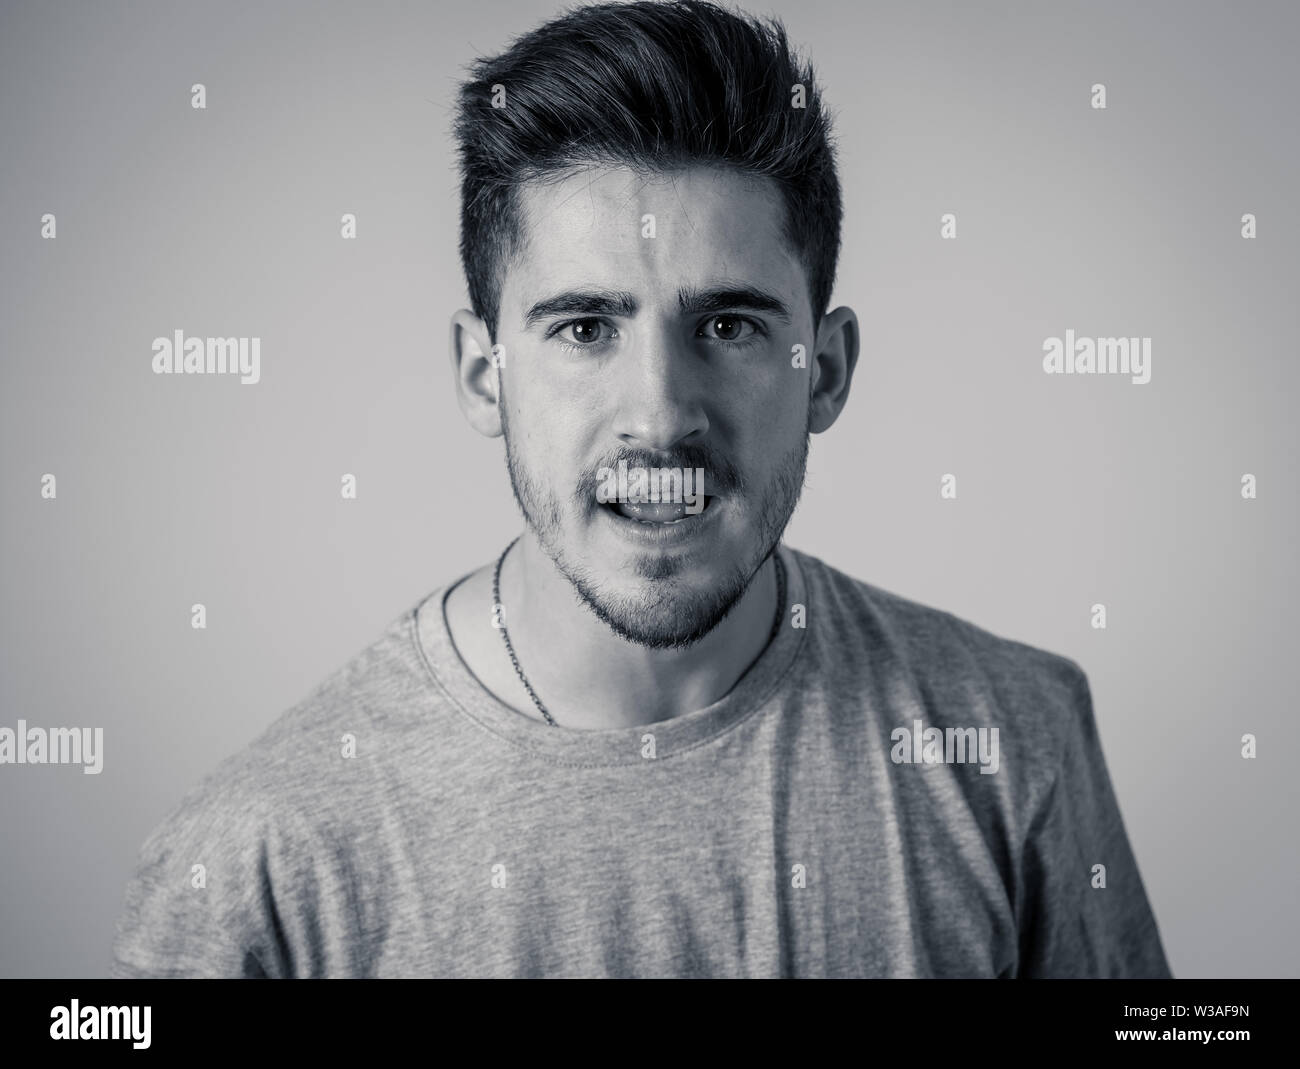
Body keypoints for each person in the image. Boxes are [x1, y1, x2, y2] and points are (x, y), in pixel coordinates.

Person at [111, 0, 1171, 978]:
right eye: (584, 328)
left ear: (828, 370)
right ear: (486, 376)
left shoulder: (1012, 737)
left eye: (729, 325)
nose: (660, 412)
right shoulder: (260, 864)